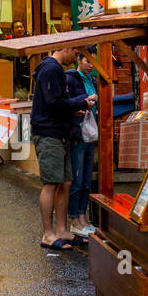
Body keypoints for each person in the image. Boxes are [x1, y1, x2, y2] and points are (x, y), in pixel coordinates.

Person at [31, 44, 95, 250]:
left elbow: (58, 104)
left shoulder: (54, 69)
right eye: (75, 52)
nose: (75, 56)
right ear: (65, 48)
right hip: (49, 133)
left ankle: (62, 230)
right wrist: (81, 103)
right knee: (51, 183)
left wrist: (73, 108)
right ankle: (48, 234)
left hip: (61, 133)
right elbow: (54, 104)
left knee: (66, 182)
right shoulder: (50, 69)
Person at [66, 47, 100, 240]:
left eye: (93, 63)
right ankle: (74, 220)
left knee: (87, 179)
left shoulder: (93, 80)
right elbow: (67, 102)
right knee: (77, 179)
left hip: (91, 134)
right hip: (78, 134)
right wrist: (85, 99)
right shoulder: (71, 78)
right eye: (87, 61)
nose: (90, 66)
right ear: (78, 59)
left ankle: (83, 217)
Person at [9, 21, 32, 94]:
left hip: (28, 79)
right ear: (12, 31)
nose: (19, 29)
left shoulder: (28, 43)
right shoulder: (9, 45)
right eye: (17, 27)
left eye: (21, 27)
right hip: (15, 80)